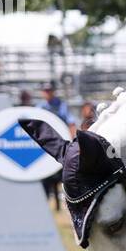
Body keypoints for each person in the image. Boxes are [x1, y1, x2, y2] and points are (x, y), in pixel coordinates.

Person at [39, 83, 76, 211]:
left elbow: (71, 122)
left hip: (59, 144)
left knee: (64, 176)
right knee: (45, 177)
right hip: (44, 146)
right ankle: (45, 205)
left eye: (49, 90)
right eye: (45, 90)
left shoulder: (61, 105)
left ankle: (66, 204)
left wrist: (73, 140)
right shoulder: (40, 107)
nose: (47, 93)